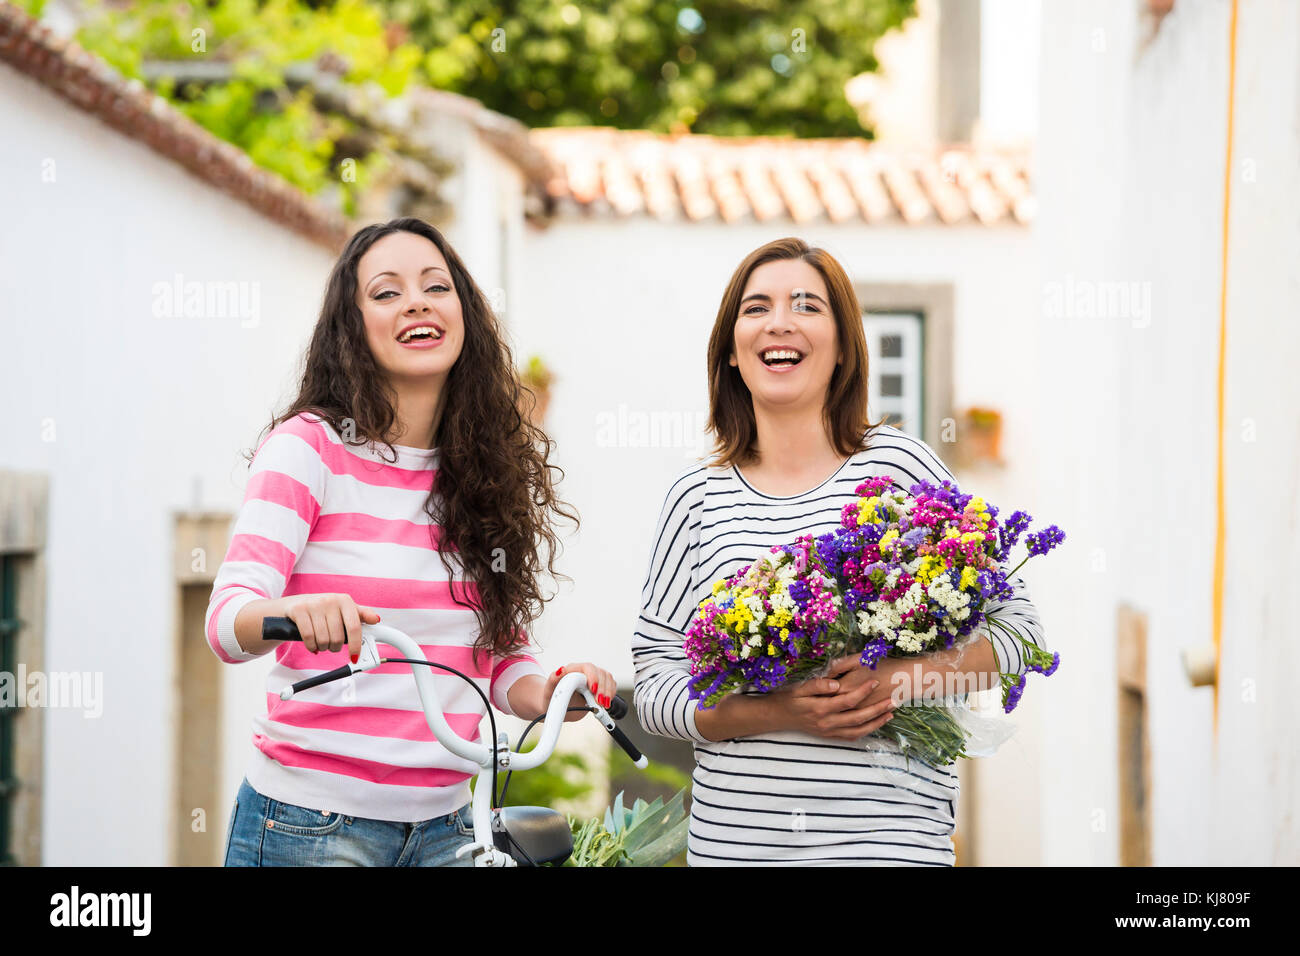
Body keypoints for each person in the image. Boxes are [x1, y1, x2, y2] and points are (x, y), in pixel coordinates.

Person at [209, 217, 615, 866]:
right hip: (309, 828)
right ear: (352, 326)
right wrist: (294, 613)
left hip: (452, 827)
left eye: (436, 286)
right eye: (387, 292)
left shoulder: (484, 469)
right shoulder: (308, 450)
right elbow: (227, 622)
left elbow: (498, 653)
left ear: (464, 315)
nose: (418, 302)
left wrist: (552, 692)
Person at [632, 237, 1048, 866]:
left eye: (807, 305)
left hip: (892, 848)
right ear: (732, 355)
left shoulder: (902, 471)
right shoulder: (695, 497)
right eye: (756, 307)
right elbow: (656, 690)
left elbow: (1022, 633)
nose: (780, 322)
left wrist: (896, 682)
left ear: (844, 348)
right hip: (739, 851)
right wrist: (780, 710)